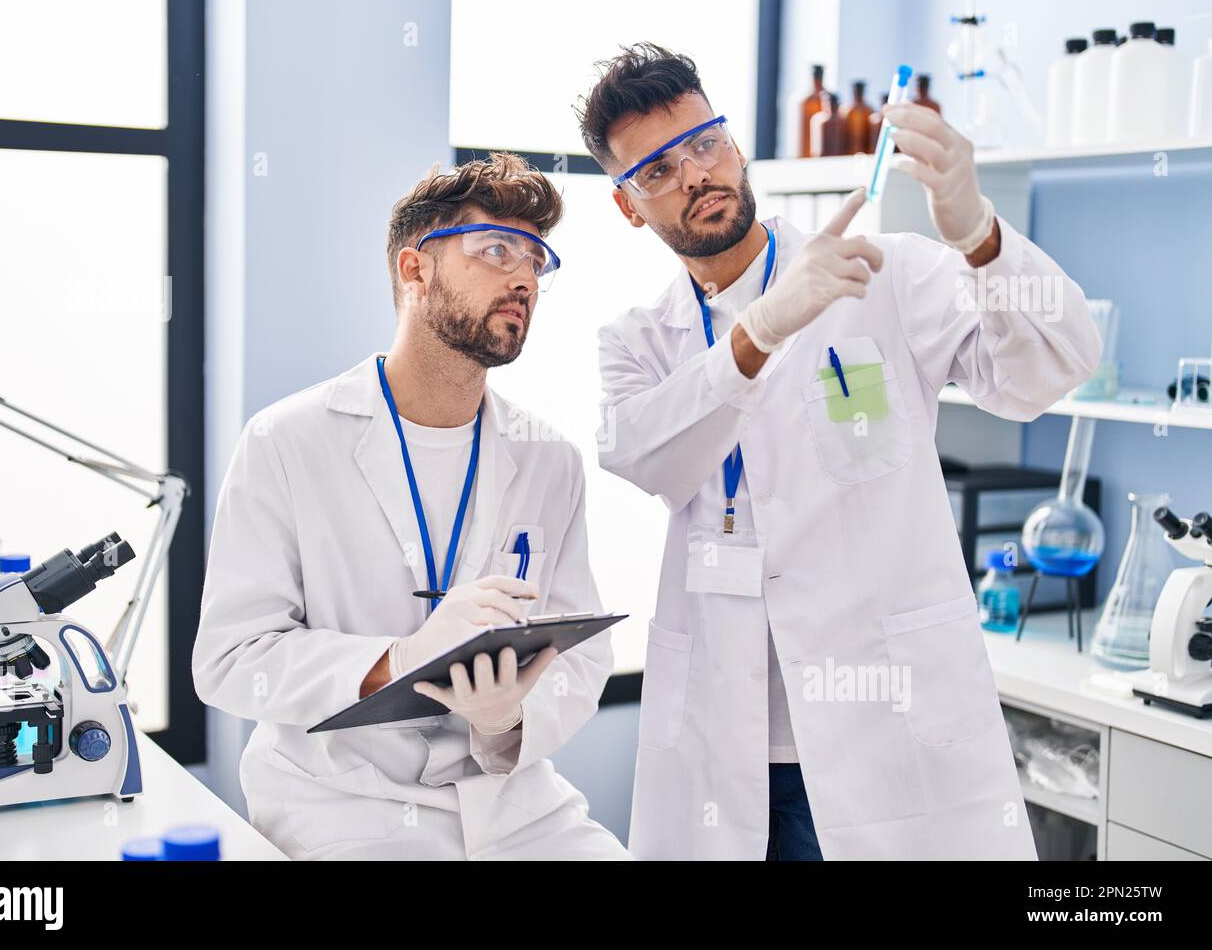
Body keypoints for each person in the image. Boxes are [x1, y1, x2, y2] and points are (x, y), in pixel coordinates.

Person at [576, 44, 1101, 860]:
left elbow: (1050, 368)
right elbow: (643, 453)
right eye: (658, 170)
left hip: (890, 735)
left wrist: (980, 235)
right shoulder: (638, 341)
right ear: (626, 205)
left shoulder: (888, 274)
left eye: (705, 143)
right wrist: (761, 330)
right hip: (734, 751)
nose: (695, 175)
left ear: (734, 143)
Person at [193, 153, 627, 860]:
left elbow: (582, 655)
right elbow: (232, 659)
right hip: (343, 801)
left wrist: (506, 719)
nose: (523, 276)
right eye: (496, 250)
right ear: (414, 270)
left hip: (511, 806)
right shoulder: (288, 441)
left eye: (536, 259)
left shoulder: (549, 458)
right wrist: (399, 661)